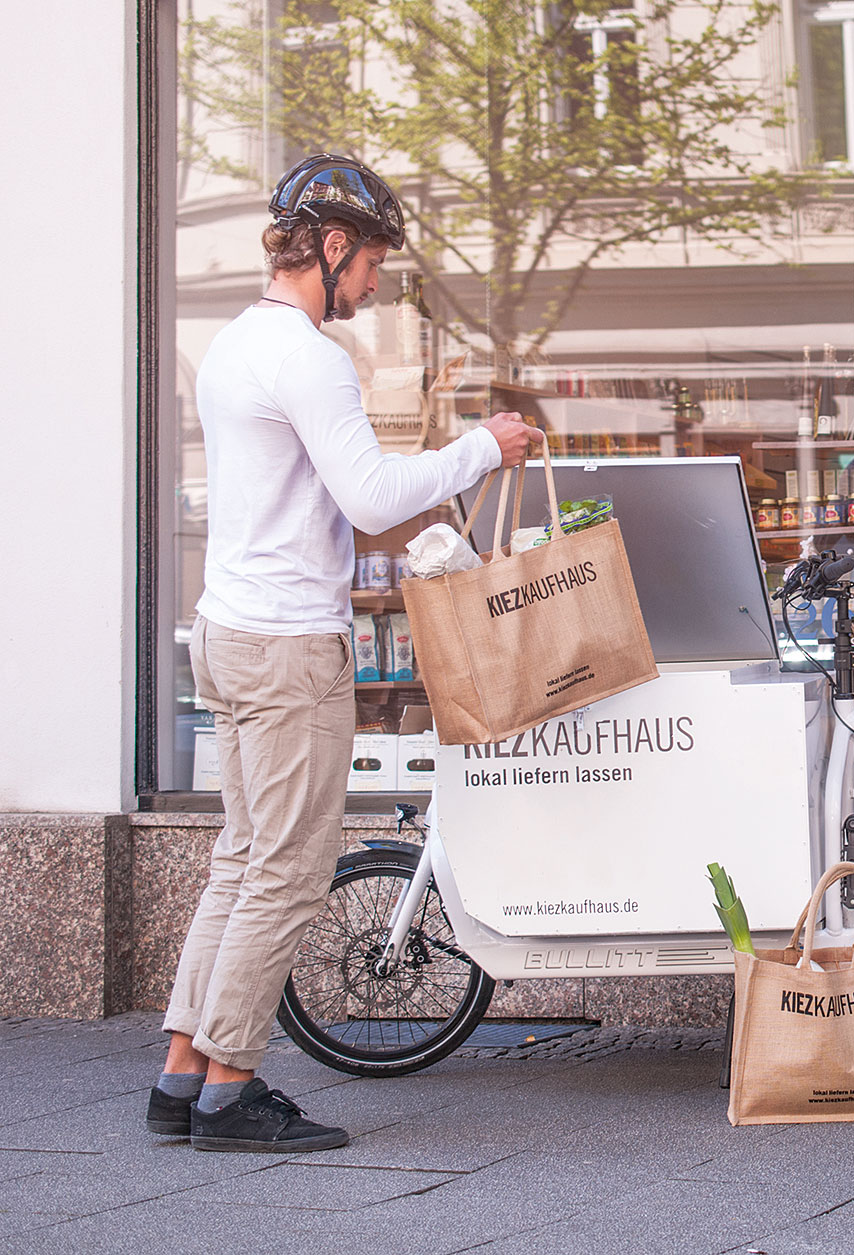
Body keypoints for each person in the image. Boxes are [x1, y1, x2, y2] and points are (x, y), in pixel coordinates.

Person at [147, 155, 543, 1152]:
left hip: (230, 633)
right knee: (289, 867)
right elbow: (367, 494)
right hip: (286, 649)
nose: (374, 285)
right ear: (330, 249)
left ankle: (180, 1075)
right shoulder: (309, 355)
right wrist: (482, 447)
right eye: (370, 263)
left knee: (239, 860)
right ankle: (232, 1090)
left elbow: (319, 499)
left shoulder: (238, 345)